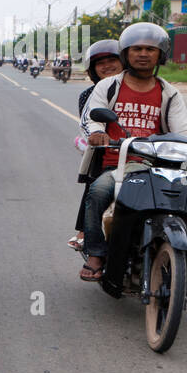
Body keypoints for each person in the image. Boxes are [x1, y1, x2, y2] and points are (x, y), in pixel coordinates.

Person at [78, 22, 187, 287]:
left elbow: (185, 133)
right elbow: (91, 118)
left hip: (163, 165)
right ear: (126, 53)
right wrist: (97, 133)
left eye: (150, 49)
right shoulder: (108, 86)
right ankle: (96, 253)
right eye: (137, 48)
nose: (143, 54)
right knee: (97, 192)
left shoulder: (169, 92)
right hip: (121, 164)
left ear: (160, 55)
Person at [67, 40, 123, 251]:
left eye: (112, 60)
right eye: (101, 63)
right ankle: (88, 236)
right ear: (92, 69)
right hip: (107, 150)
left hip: (144, 150)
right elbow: (88, 123)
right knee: (96, 185)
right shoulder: (90, 94)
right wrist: (98, 136)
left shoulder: (157, 87)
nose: (107, 66)